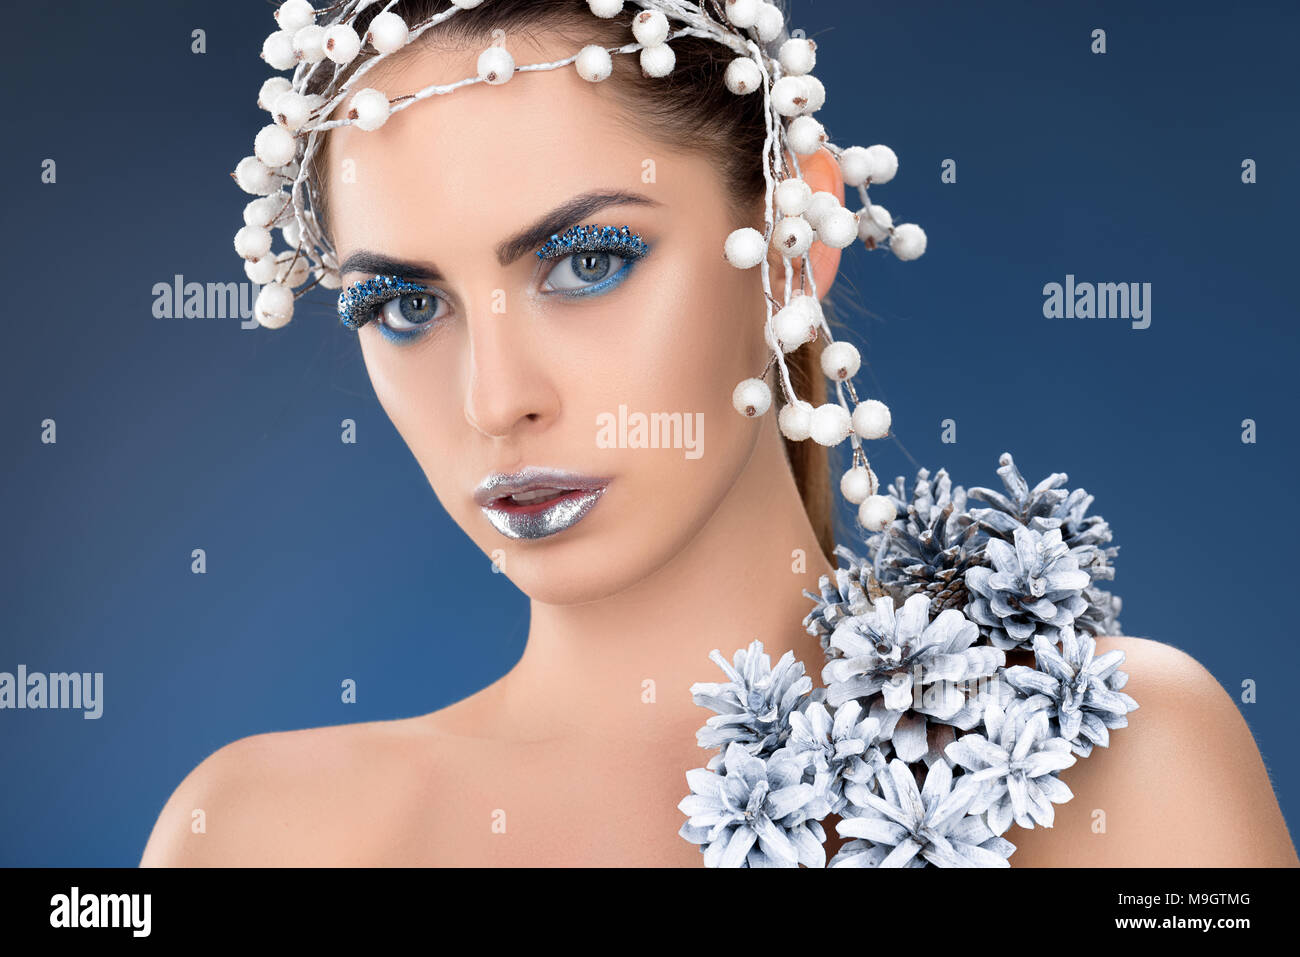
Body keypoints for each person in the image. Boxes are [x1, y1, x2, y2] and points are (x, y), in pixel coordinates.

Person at [141, 0, 1298, 867]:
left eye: (588, 262)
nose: (496, 400)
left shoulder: (1110, 758)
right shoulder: (255, 834)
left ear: (797, 235)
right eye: (404, 305)